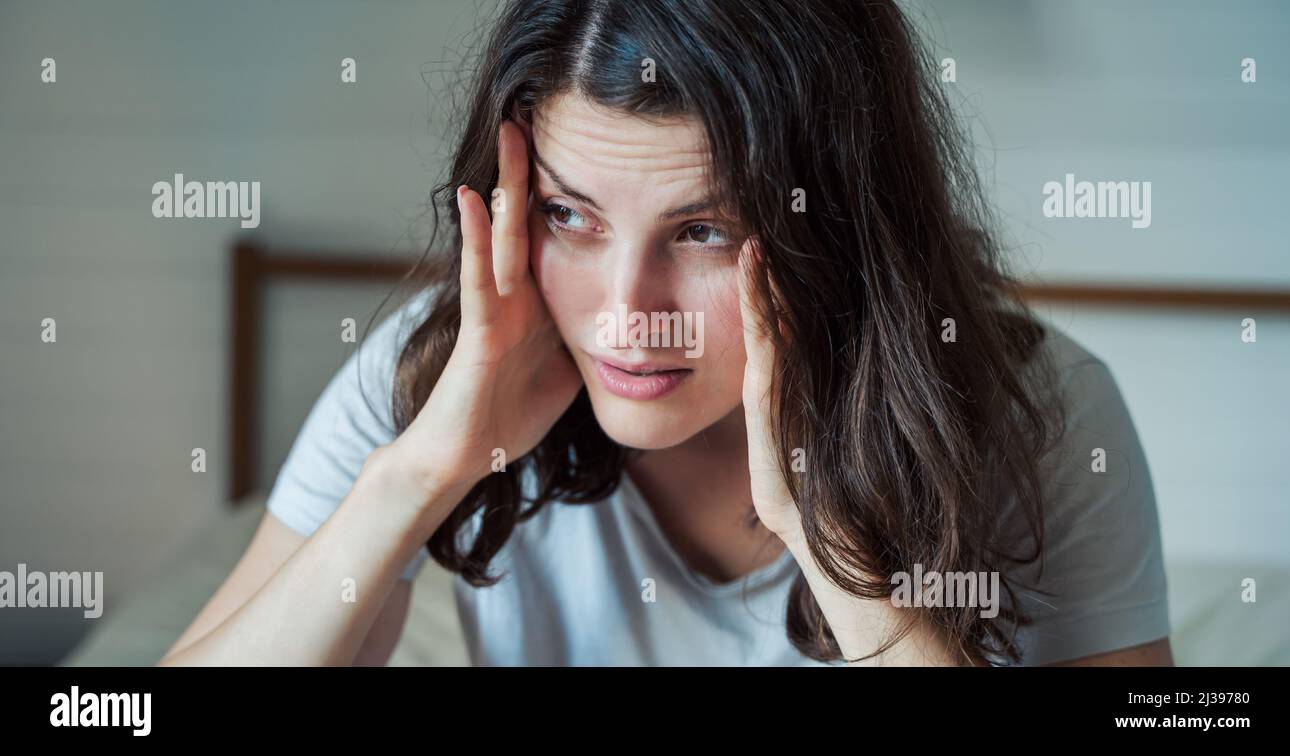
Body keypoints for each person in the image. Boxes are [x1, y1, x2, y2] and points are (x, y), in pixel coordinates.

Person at [162, 0, 1172, 667]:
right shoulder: (443, 373)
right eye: (569, 215)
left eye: (702, 230)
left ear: (836, 233)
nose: (624, 312)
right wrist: (422, 469)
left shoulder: (1042, 416)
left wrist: (837, 550)